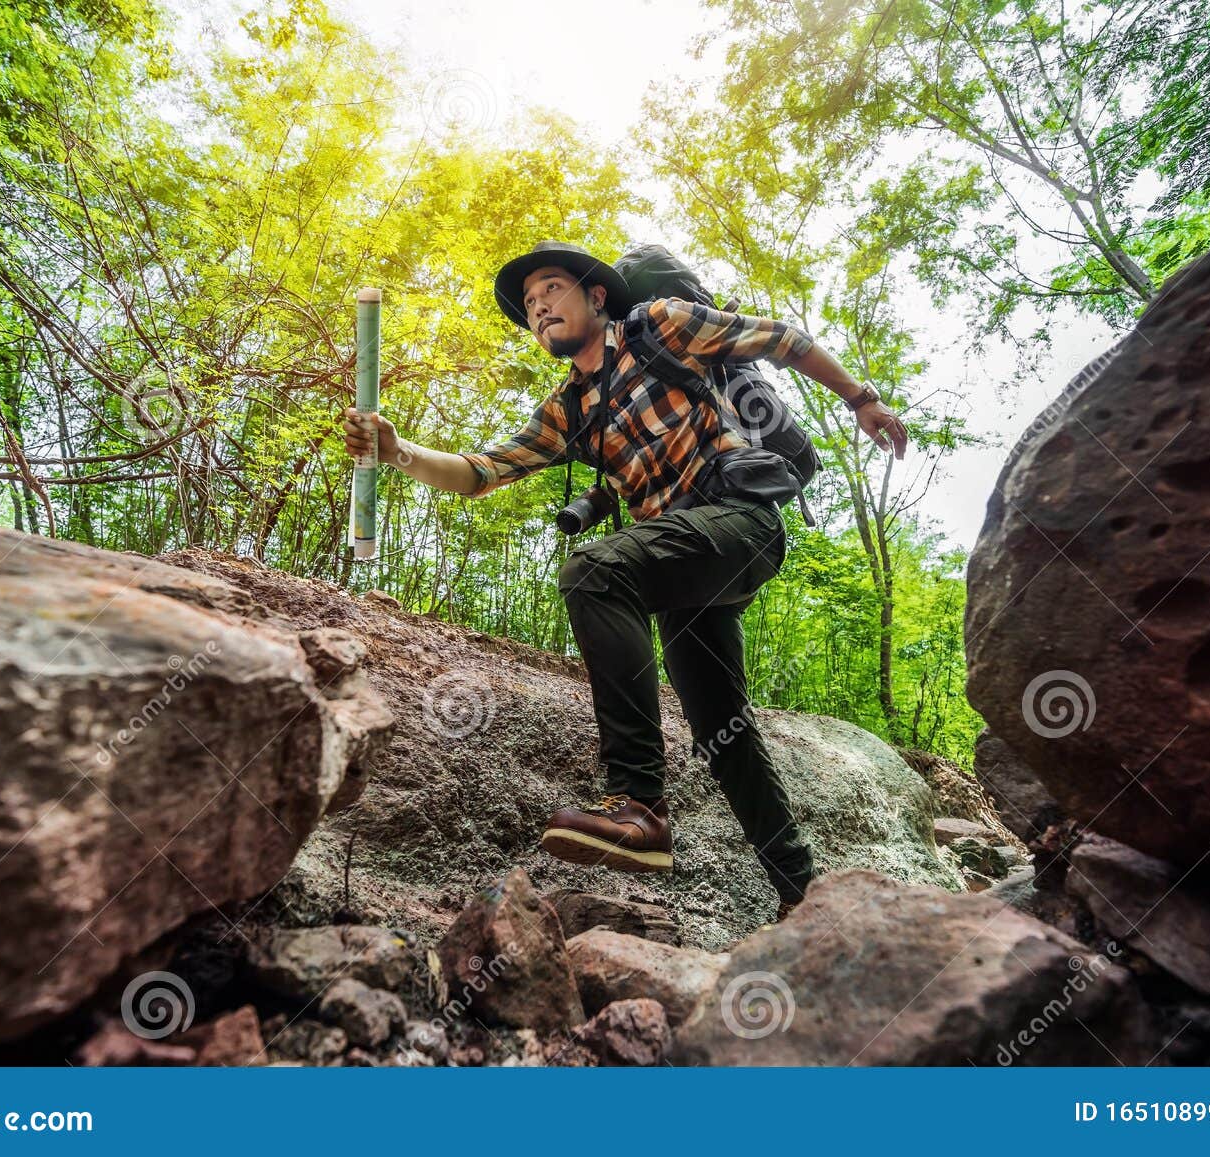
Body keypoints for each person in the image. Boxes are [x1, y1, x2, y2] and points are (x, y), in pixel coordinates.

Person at [343, 241, 907, 921]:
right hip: (677, 565)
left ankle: (639, 803)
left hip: (739, 520)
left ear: (597, 297)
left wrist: (861, 400)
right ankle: (804, 894)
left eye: (550, 289)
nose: (540, 307)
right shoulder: (570, 407)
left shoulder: (663, 325)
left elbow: (784, 341)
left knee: (594, 569)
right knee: (721, 728)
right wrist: (395, 450)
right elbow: (479, 472)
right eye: (528, 305)